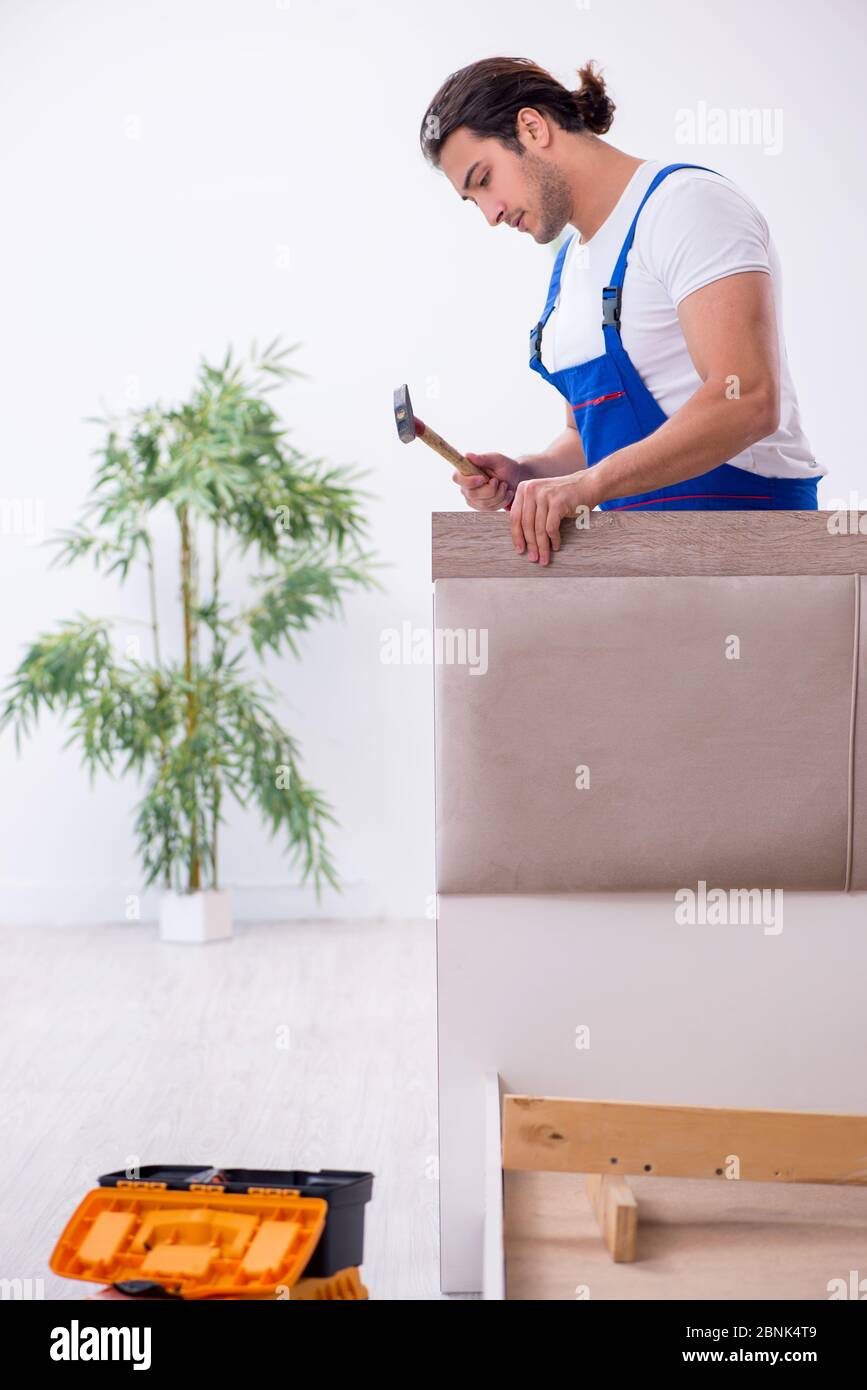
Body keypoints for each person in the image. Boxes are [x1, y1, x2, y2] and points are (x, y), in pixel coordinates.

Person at [419, 57, 825, 564]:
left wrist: (587, 485)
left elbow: (746, 399)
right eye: (471, 200)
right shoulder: (570, 266)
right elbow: (585, 439)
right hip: (637, 561)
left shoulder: (684, 207)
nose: (491, 214)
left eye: (485, 180)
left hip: (752, 550)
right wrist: (532, 474)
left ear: (532, 127)